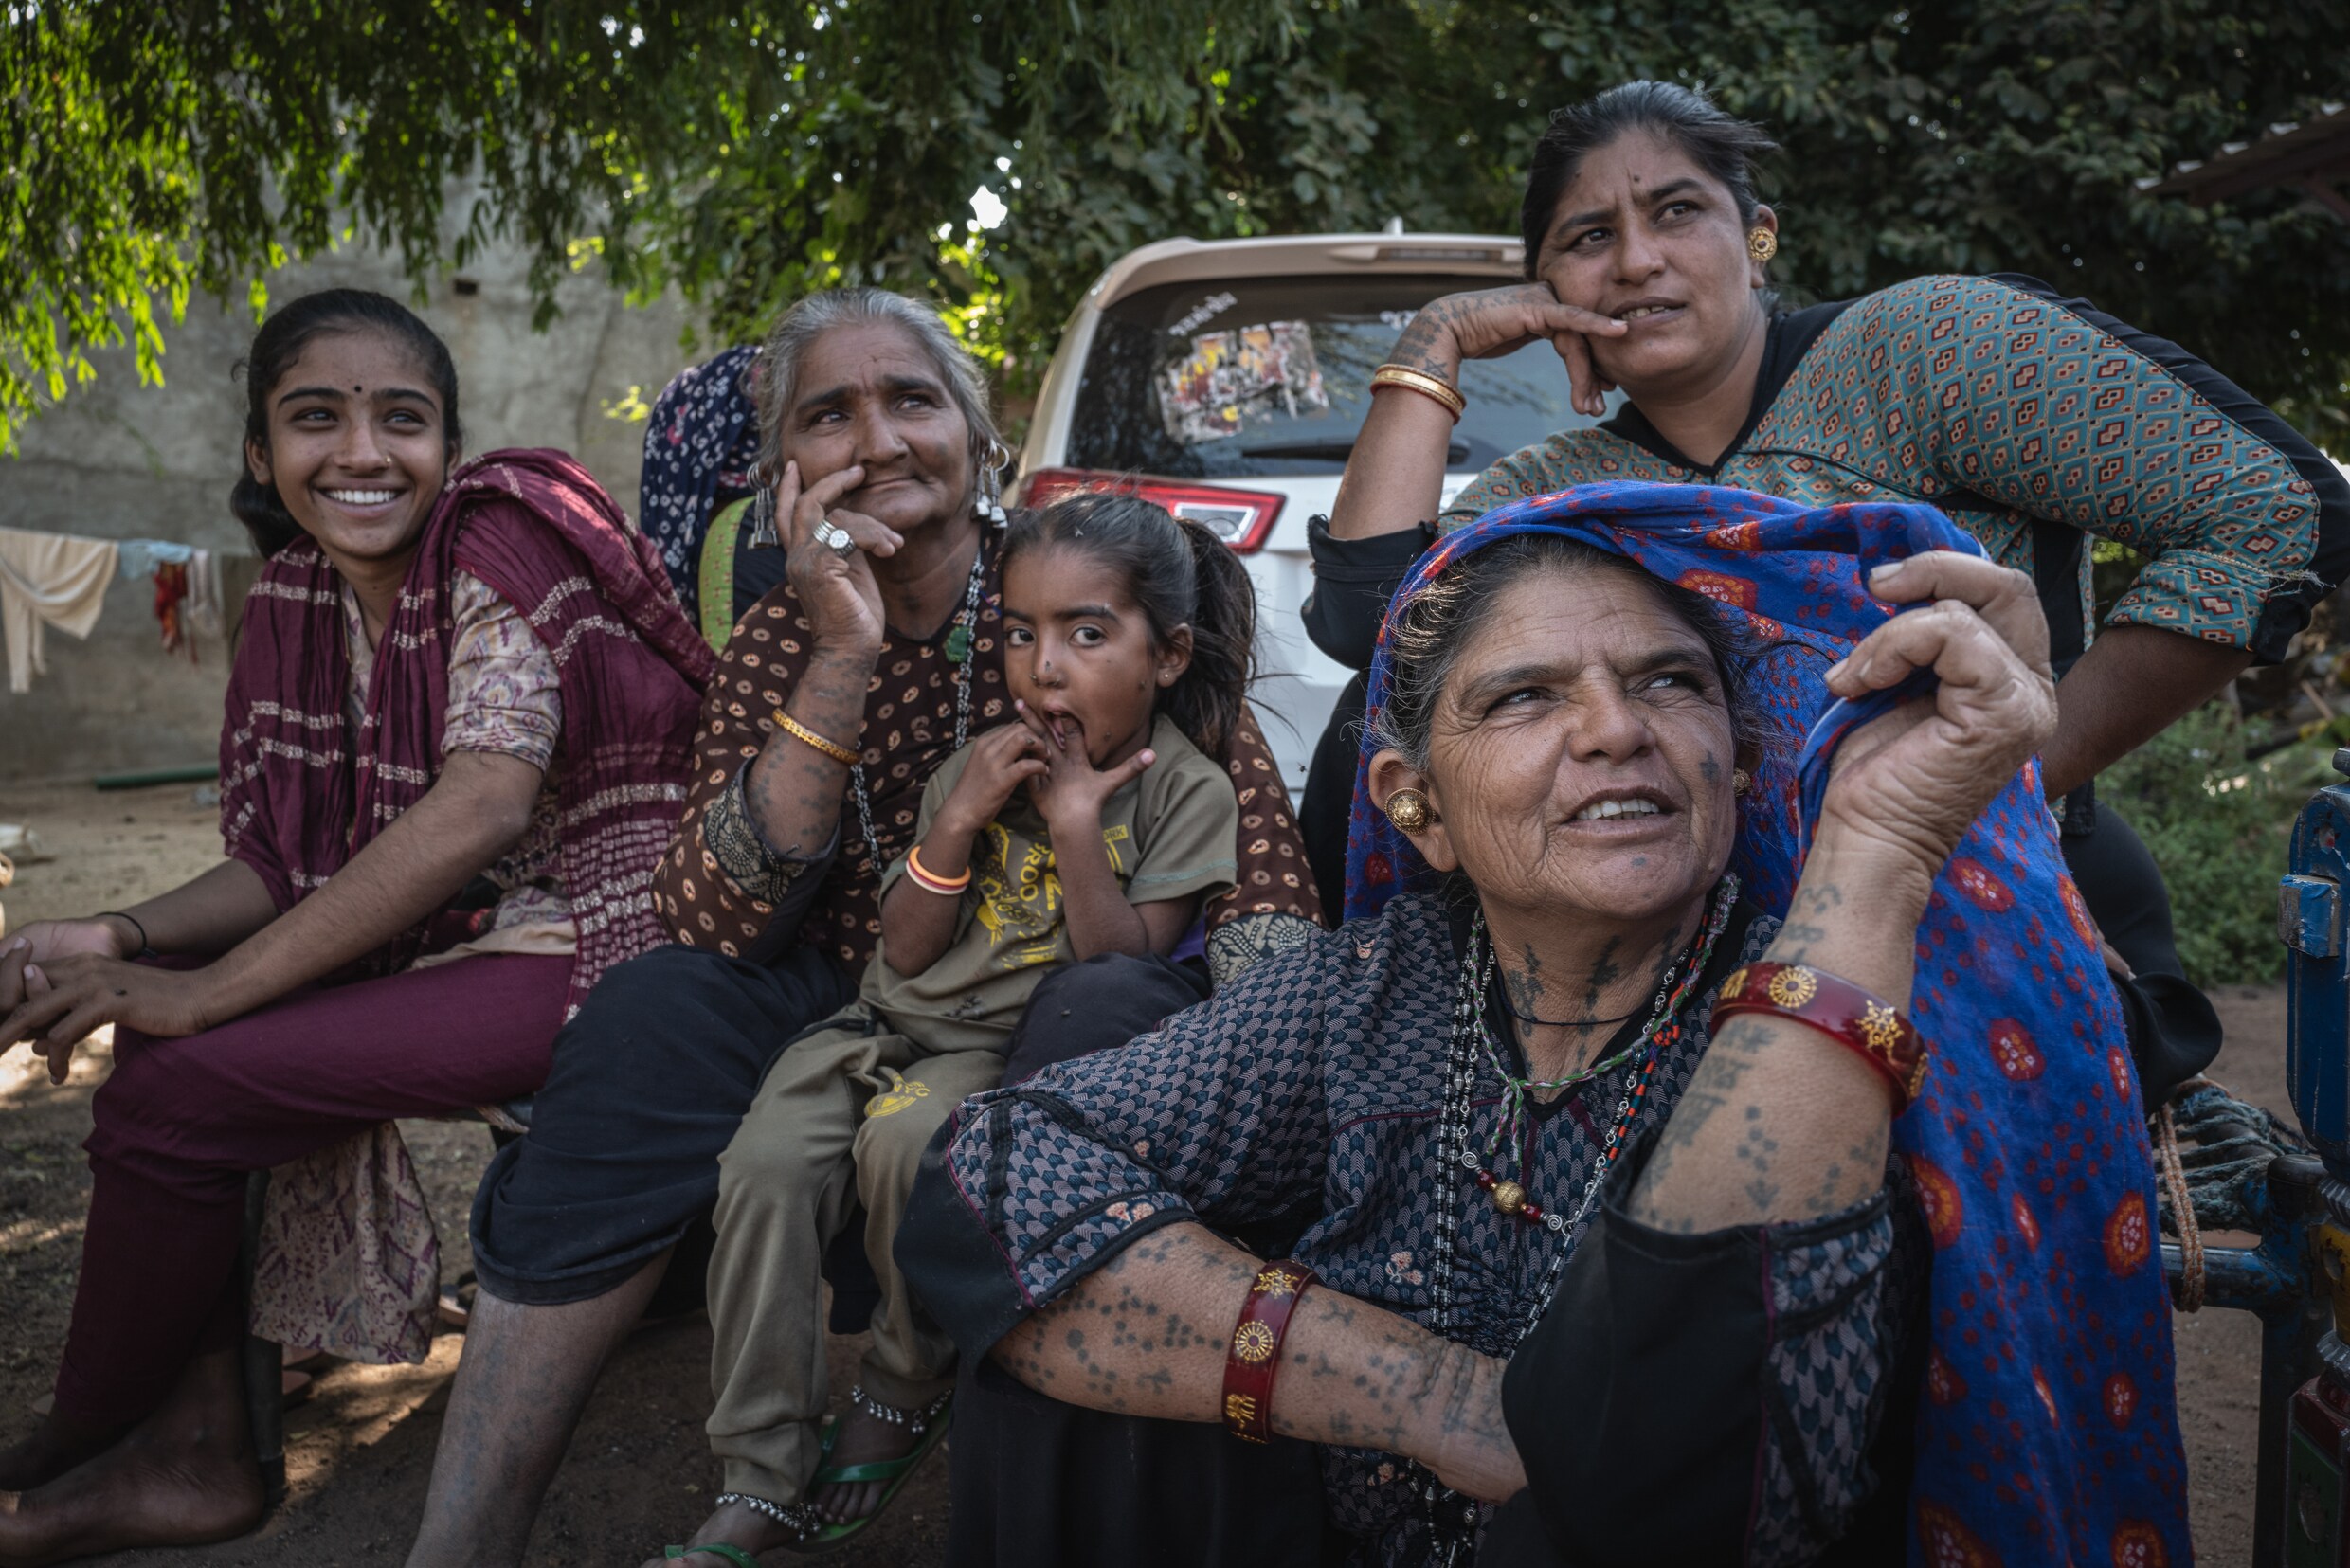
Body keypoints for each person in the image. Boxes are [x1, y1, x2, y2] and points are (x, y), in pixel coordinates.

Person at [899, 482, 2192, 1566]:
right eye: (1523, 697)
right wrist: (1435, 1395)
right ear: (1417, 806)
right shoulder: (1382, 983)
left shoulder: (1819, 986)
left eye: (1670, 681)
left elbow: (1702, 1483)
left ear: (1739, 760)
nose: (1617, 729)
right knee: (1041, 1343)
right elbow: (983, 1179)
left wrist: (1879, 846)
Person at [404, 288, 1321, 1568]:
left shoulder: (1088, 576)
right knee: (651, 1013)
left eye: (911, 400)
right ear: (786, 469)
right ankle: (467, 1540)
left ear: (980, 432)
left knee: (1090, 1014)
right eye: (829, 415)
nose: (877, 441)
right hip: (862, 987)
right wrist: (840, 645)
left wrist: (1277, 1069)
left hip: (1063, 998)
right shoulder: (787, 621)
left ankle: (975, 1442)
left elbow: (1255, 860)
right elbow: (712, 914)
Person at [1299, 80, 2350, 1073]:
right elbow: (1376, 630)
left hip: (1975, 893)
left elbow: (2271, 511)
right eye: (1586, 239)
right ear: (1548, 290)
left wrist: (1989, 783)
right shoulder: (1564, 482)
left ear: (1756, 241)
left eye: (1675, 212)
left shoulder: (1924, 350)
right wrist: (1432, 344)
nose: (1632, 261)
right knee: (1373, 727)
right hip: (1674, 944)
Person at [0, 288, 712, 1563]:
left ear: (449, 442)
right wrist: (115, 933)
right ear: (261, 453)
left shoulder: (498, 540)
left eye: (404, 417)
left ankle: (106, 1429)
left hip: (614, 933)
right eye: (315, 417)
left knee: (176, 1075)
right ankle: (194, 1438)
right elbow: (280, 864)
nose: (364, 451)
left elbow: (486, 802)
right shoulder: (290, 602)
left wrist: (202, 993)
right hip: (473, 940)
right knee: (170, 1059)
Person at [653, 492, 1255, 1562]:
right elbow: (910, 941)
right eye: (1019, 633)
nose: (1044, 668)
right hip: (879, 1020)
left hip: (997, 1050)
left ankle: (901, 1377)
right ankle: (759, 1464)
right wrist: (957, 815)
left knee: (907, 1141)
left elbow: (1119, 967)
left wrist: (1074, 824)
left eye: (1085, 632)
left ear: (1164, 654)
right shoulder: (977, 760)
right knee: (762, 1167)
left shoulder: (1186, 793)